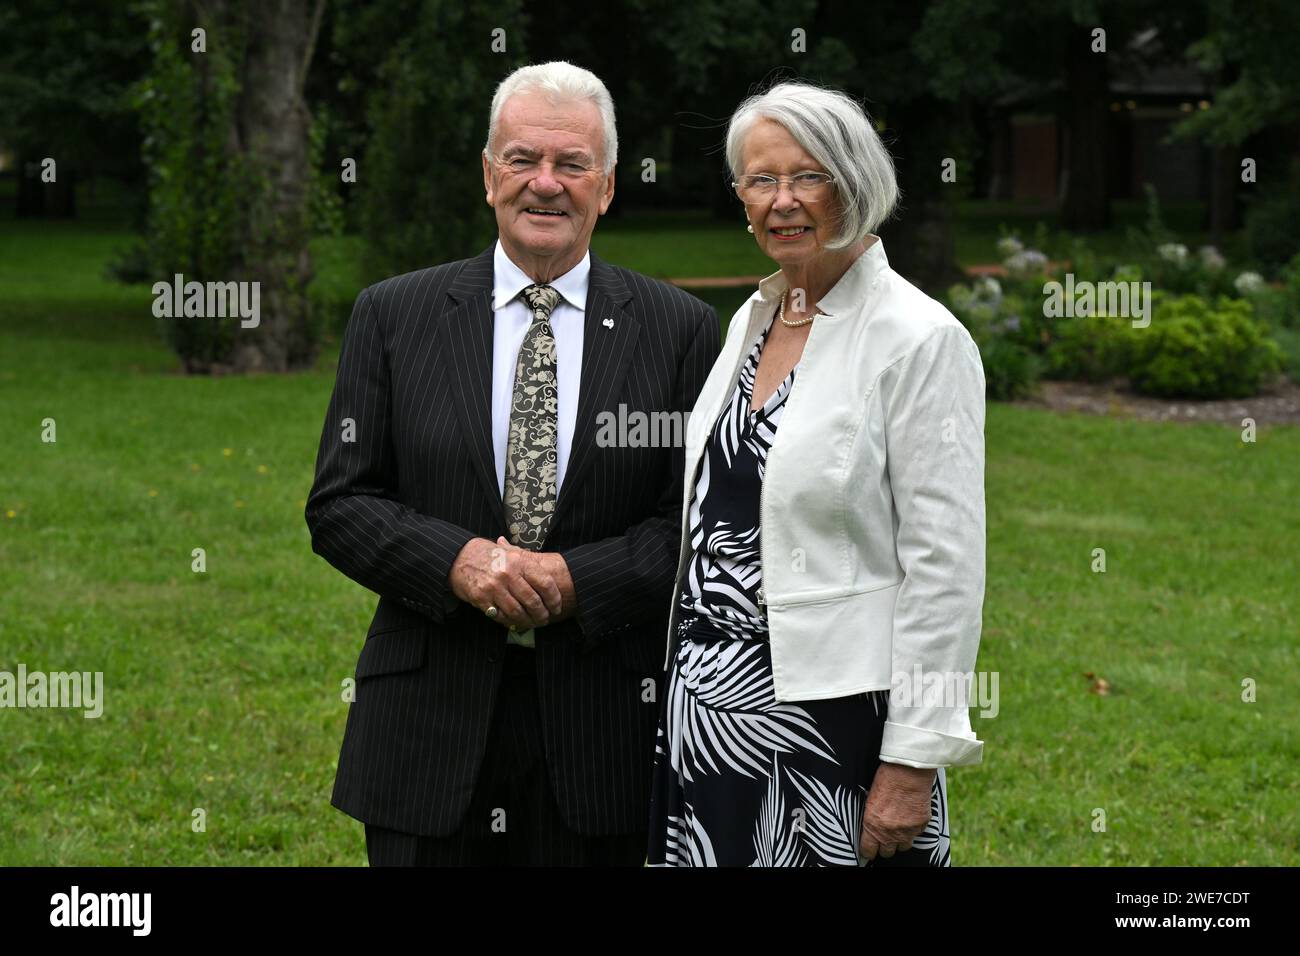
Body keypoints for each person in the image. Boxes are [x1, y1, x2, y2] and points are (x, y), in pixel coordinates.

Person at [306, 61, 719, 865]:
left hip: (608, 732)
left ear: (606, 188)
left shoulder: (680, 330)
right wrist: (457, 561)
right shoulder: (394, 315)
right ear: (490, 176)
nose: (546, 184)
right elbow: (341, 502)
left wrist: (578, 580)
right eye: (524, 159)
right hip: (426, 725)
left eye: (572, 165)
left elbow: (697, 525)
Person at [646, 81, 987, 867]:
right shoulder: (757, 316)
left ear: (856, 180)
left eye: (808, 177)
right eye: (760, 181)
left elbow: (948, 568)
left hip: (833, 726)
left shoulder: (919, 338)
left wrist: (912, 760)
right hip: (709, 712)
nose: (783, 201)